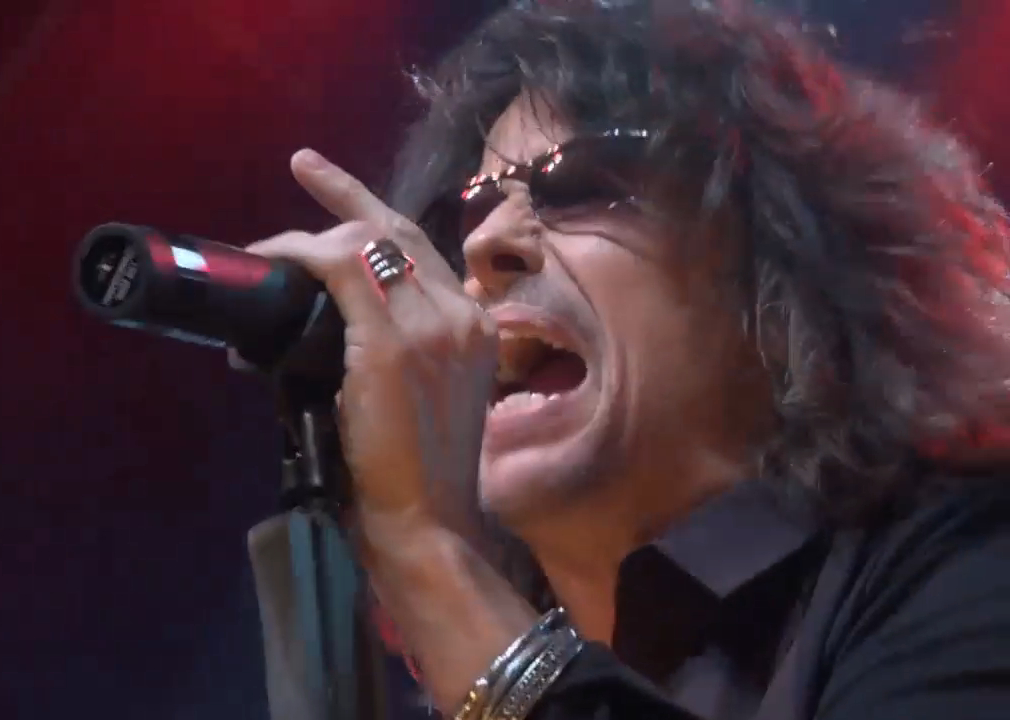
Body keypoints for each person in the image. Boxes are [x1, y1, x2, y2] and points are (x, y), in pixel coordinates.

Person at [247, 0, 1010, 718]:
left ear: (783, 277)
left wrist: (428, 551)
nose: (485, 244)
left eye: (577, 182)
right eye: (462, 215)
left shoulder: (970, 559)